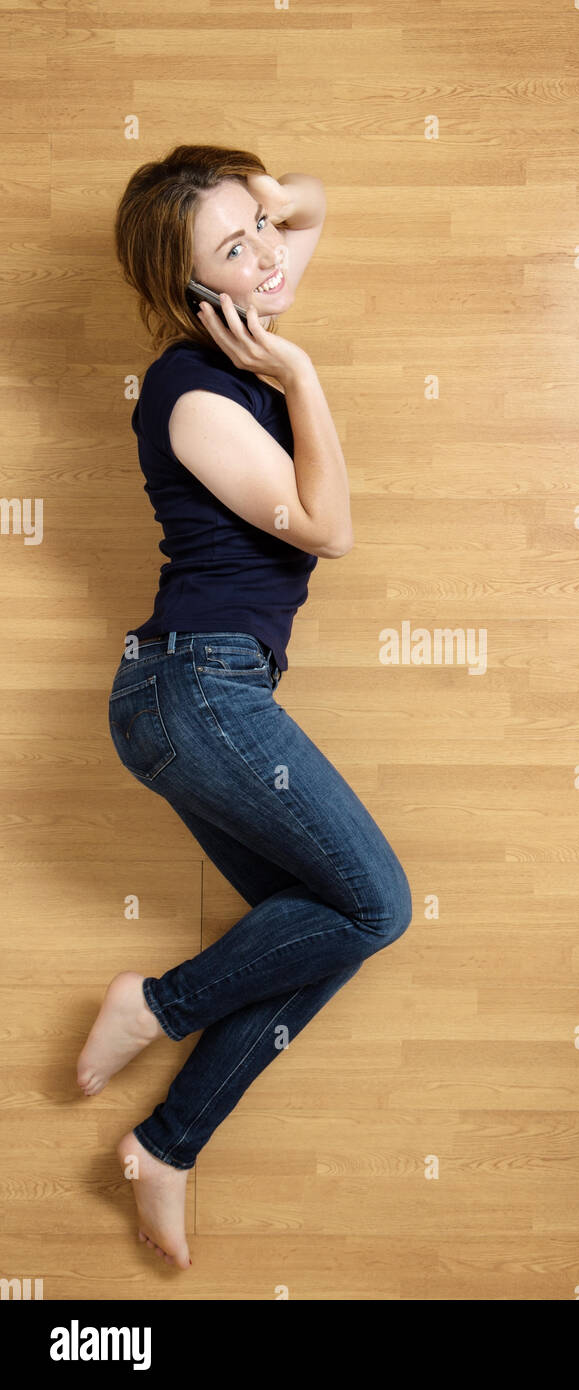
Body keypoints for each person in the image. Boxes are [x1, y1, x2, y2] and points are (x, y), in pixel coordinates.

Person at [77, 145, 413, 1270]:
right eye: (234, 249)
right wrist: (304, 378)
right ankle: (156, 1002)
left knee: (312, 940)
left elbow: (311, 201)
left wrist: (258, 204)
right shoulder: (190, 391)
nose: (270, 255)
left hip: (210, 692)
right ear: (193, 291)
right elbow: (326, 527)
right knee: (376, 908)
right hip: (195, 685)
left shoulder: (246, 307)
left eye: (261, 235)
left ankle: (168, 1144)